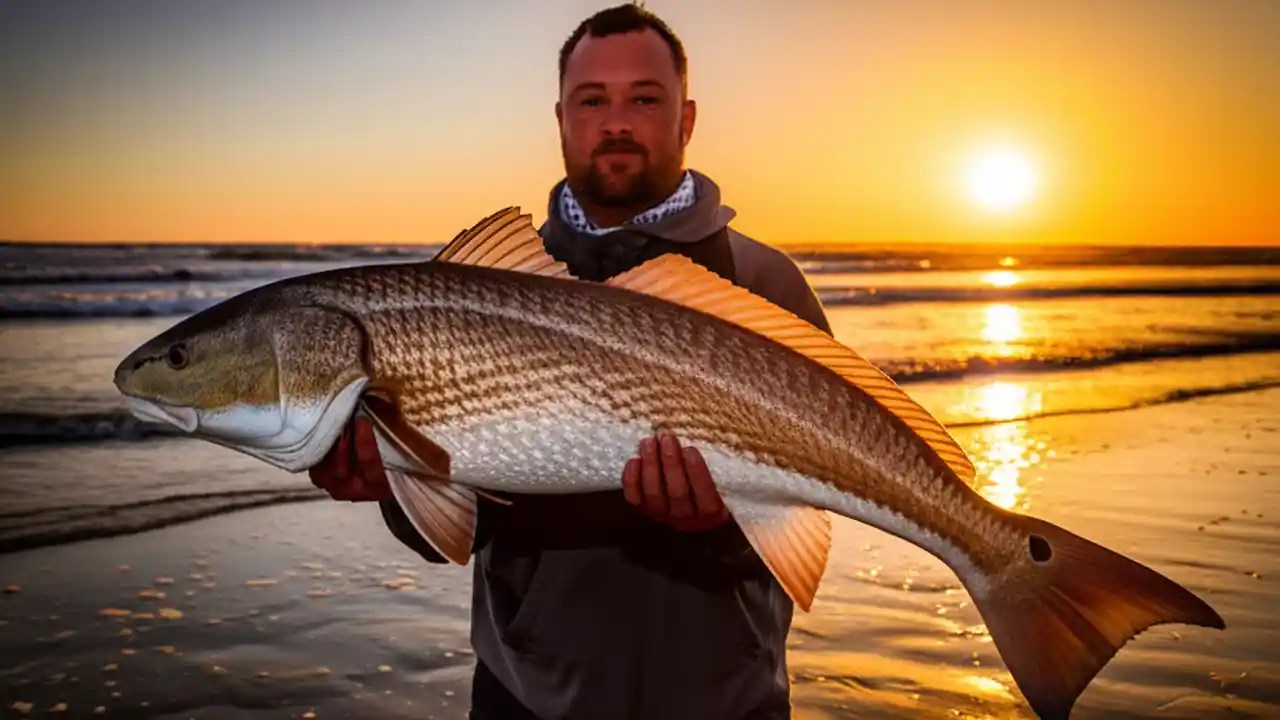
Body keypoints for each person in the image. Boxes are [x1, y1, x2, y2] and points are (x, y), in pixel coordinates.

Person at [310, 5, 831, 718]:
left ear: (686, 119)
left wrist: (717, 528)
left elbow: (816, 499)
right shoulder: (480, 291)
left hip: (727, 702)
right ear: (561, 118)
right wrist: (390, 485)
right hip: (529, 702)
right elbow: (456, 529)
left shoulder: (765, 285)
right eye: (592, 101)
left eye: (644, 98)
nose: (616, 122)